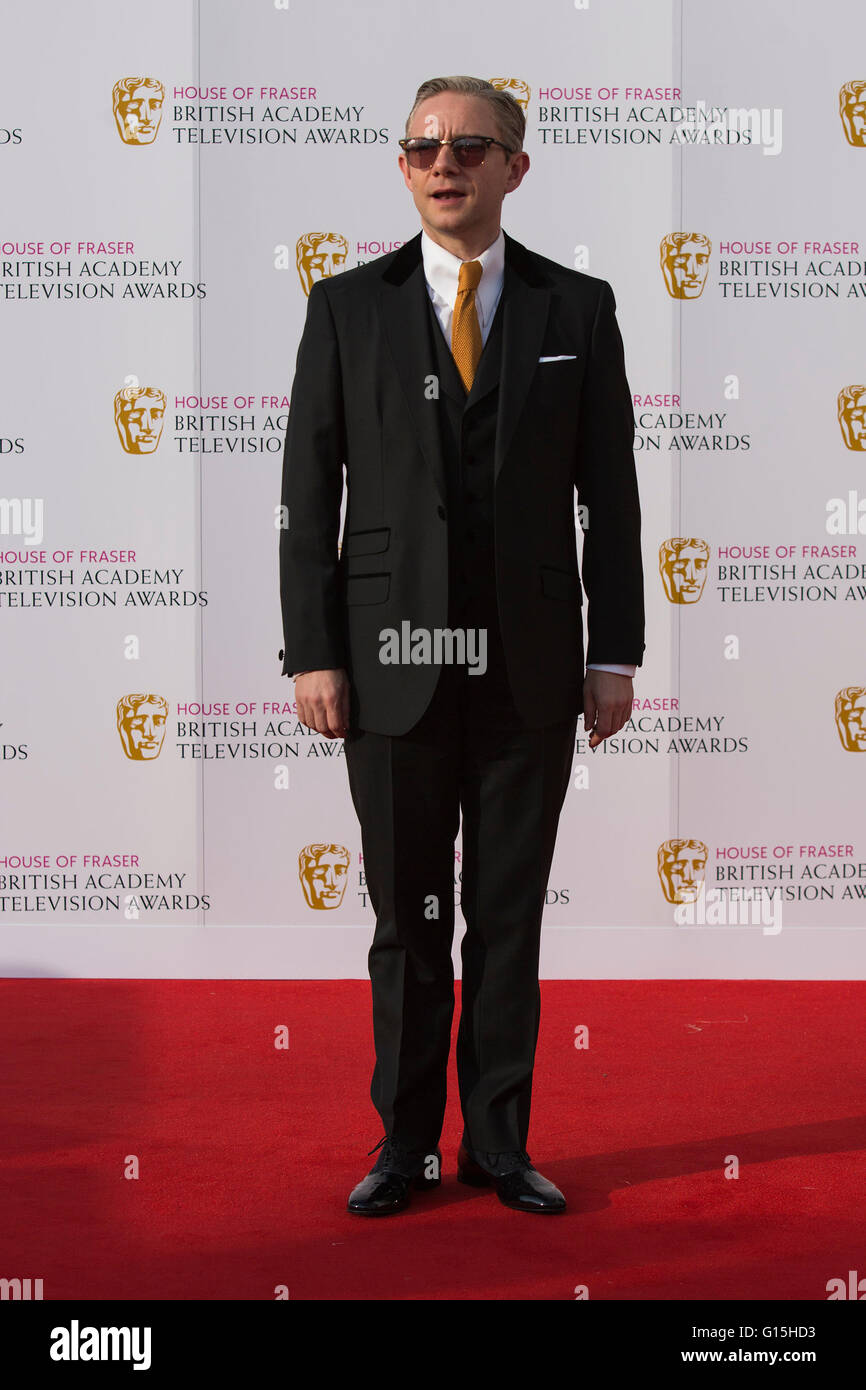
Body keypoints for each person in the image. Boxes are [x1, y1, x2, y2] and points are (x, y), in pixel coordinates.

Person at [278, 76, 645, 1215]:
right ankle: (403, 1146)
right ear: (402, 167)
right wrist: (312, 651)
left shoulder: (575, 308)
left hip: (528, 665)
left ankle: (495, 1144)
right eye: (423, 146)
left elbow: (612, 498)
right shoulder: (345, 307)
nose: (445, 164)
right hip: (387, 664)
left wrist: (614, 650)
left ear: (513, 169)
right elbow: (306, 490)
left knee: (506, 914)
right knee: (405, 922)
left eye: (471, 146)